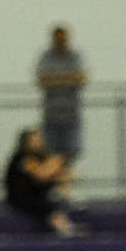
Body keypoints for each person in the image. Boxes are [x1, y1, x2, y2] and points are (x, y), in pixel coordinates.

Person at [1, 128, 75, 235]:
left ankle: (67, 204)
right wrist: (58, 161)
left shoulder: (40, 156)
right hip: (21, 197)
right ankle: (65, 230)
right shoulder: (22, 157)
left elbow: (56, 174)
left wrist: (62, 176)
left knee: (54, 193)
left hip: (36, 193)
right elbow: (40, 175)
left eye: (39, 139)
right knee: (48, 210)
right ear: (26, 142)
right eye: (35, 140)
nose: (39, 142)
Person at [34, 22, 86, 162]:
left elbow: (81, 78)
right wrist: (68, 79)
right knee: (49, 153)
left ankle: (62, 174)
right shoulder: (45, 57)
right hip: (51, 115)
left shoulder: (75, 56)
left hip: (71, 114)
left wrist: (55, 80)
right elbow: (42, 80)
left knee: (71, 152)